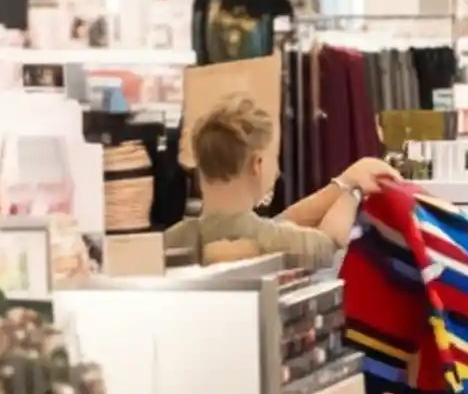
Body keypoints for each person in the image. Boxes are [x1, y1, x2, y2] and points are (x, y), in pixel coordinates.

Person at [164, 99, 397, 268]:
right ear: (257, 164)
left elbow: (279, 223)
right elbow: (329, 242)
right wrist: (353, 191)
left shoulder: (171, 241)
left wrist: (342, 182)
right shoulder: (275, 242)